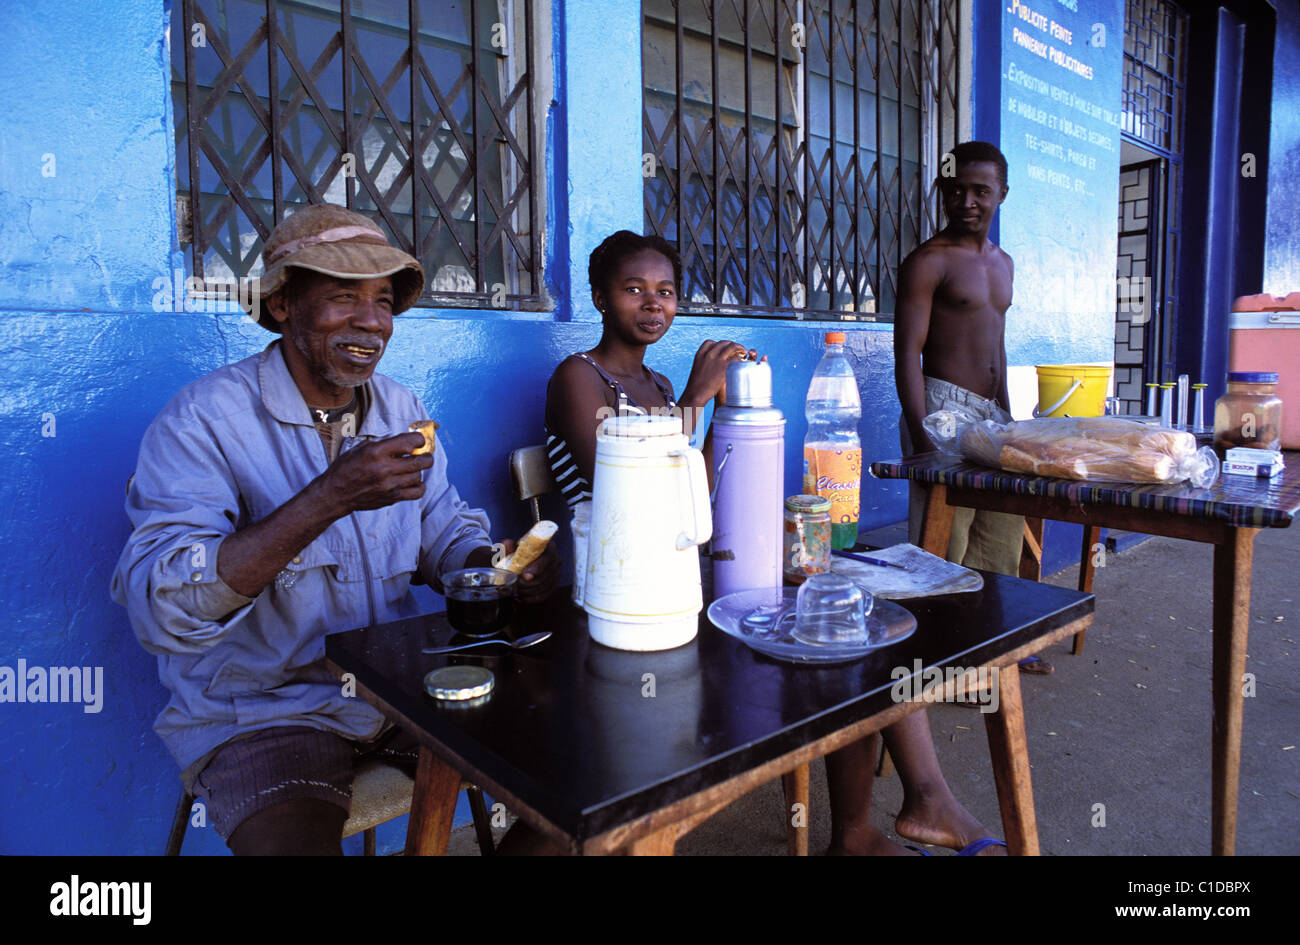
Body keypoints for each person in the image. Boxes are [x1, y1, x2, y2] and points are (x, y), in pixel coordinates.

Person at [111, 203, 558, 855]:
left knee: (581, 796)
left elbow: (443, 531)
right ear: (284, 301)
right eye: (344, 296)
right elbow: (166, 611)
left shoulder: (400, 408)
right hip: (263, 709)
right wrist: (329, 497)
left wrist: (497, 565)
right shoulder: (201, 422)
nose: (372, 321)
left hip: (398, 689)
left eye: (382, 300)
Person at [894, 139, 1052, 675]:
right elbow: (907, 357)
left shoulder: (1003, 264)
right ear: (942, 190)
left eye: (980, 191)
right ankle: (934, 655)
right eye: (955, 189)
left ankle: (989, 648)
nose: (967, 201)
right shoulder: (927, 262)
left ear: (1001, 194)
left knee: (1000, 533)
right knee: (943, 542)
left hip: (992, 414)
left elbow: (997, 347)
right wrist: (921, 442)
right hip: (939, 409)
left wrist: (1009, 421)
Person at [543, 230, 752, 600]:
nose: (654, 303)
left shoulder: (660, 386)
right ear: (600, 299)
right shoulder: (578, 377)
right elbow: (626, 491)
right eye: (634, 290)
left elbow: (691, 494)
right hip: (612, 579)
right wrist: (696, 395)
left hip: (670, 566)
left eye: (665, 291)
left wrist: (726, 404)